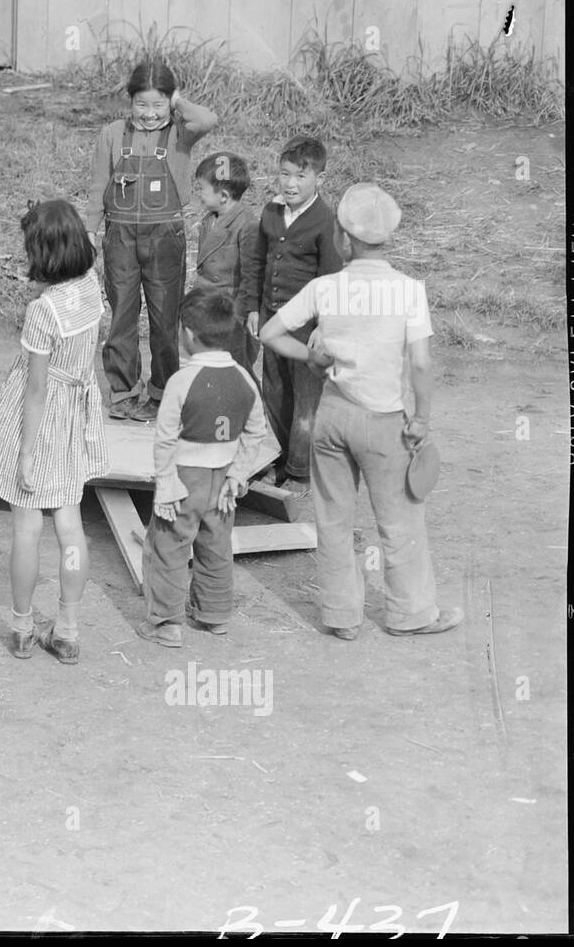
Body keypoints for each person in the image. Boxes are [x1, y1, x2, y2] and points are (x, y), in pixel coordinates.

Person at [259, 183, 462, 640]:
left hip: (331, 416)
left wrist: (312, 357)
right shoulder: (410, 291)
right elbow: (422, 364)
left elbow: (270, 332)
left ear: (342, 239)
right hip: (384, 421)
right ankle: (410, 615)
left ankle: (341, 616)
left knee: (333, 517)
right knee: (400, 519)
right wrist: (422, 419)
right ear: (388, 238)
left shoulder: (324, 287)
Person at [0, 200, 109, 665]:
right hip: (76, 411)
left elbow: (35, 390)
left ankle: (20, 626)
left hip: (43, 418)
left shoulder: (44, 310)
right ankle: (69, 629)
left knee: (27, 528)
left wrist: (26, 454)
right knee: (71, 527)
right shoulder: (93, 288)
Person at [86, 59, 217, 422]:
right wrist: (90, 230)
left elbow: (208, 120)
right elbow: (99, 186)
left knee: (164, 319)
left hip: (165, 237)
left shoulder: (180, 133)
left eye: (157, 104)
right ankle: (124, 391)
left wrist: (175, 101)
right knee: (122, 317)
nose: (148, 113)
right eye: (141, 104)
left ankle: (162, 393)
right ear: (129, 102)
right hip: (120, 236)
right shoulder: (112, 134)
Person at [138, 292, 267, 647]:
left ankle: (166, 623)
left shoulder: (182, 380)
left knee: (169, 544)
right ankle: (214, 615)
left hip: (184, 477)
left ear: (189, 334)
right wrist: (238, 475)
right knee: (216, 544)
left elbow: (165, 439)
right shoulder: (244, 379)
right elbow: (257, 431)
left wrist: (165, 486)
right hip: (223, 477)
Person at [240, 136, 343, 492]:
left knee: (306, 401)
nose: (290, 183)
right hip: (272, 319)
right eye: (285, 174)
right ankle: (281, 460)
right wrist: (253, 307)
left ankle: (301, 472)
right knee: (274, 391)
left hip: (306, 328)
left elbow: (332, 279)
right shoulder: (271, 212)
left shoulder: (326, 221)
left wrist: (324, 326)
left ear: (319, 179)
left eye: (301, 176)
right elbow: (255, 261)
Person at [189, 152, 259, 378]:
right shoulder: (210, 219)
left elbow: (251, 273)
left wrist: (243, 313)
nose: (199, 195)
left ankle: (252, 409)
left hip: (229, 312)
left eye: (202, 189)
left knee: (236, 369)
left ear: (224, 195)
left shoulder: (246, 224)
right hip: (208, 307)